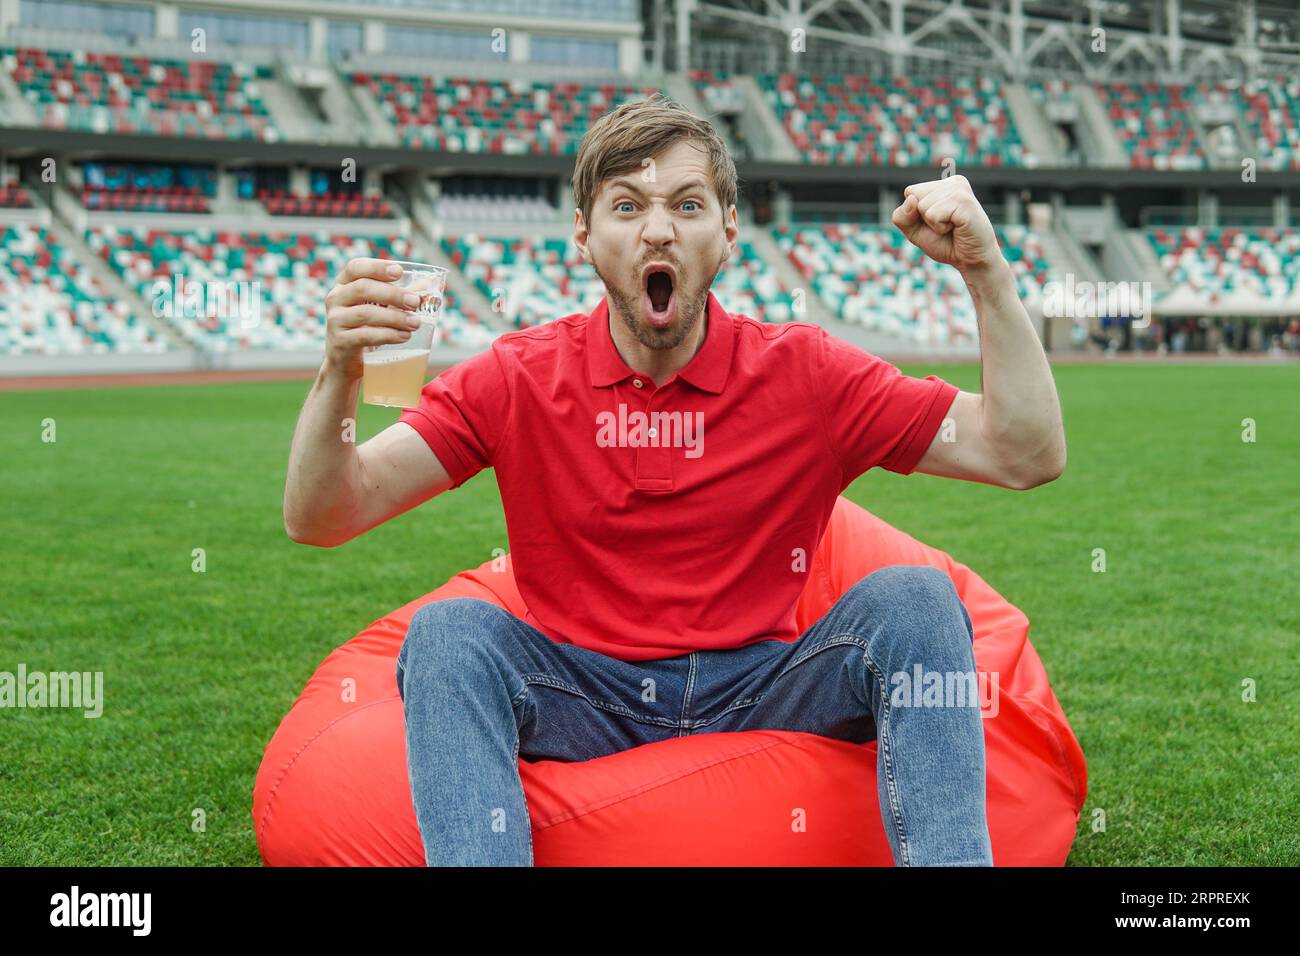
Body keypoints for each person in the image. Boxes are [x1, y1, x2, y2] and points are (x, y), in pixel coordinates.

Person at [283, 94, 1067, 867]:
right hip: (581, 692)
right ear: (585, 236)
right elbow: (326, 513)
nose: (658, 228)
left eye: (687, 205)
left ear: (726, 233)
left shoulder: (806, 372)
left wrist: (985, 269)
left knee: (919, 603)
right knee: (449, 635)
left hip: (767, 684)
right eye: (627, 206)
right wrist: (339, 370)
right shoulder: (516, 377)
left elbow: (1022, 451)